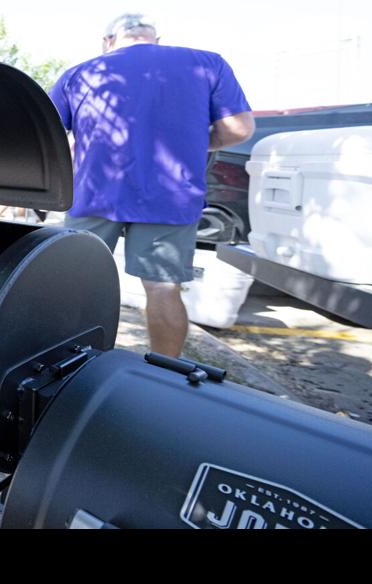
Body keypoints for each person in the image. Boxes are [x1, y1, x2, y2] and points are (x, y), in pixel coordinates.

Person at [47, 14, 254, 358]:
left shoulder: (82, 72)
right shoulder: (206, 63)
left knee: (74, 284)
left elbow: (50, 135)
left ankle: (70, 363)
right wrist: (198, 143)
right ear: (155, 39)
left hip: (95, 194)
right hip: (169, 195)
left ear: (108, 41)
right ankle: (163, 372)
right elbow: (239, 129)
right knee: (162, 288)